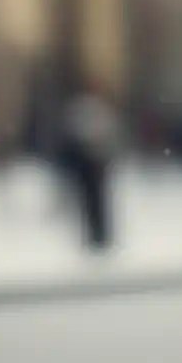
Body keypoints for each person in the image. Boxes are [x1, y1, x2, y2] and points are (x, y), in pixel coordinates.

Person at [61, 83, 123, 250]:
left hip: (95, 163)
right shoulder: (82, 109)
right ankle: (95, 235)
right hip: (87, 163)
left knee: (98, 202)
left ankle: (101, 235)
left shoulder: (96, 110)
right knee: (91, 202)